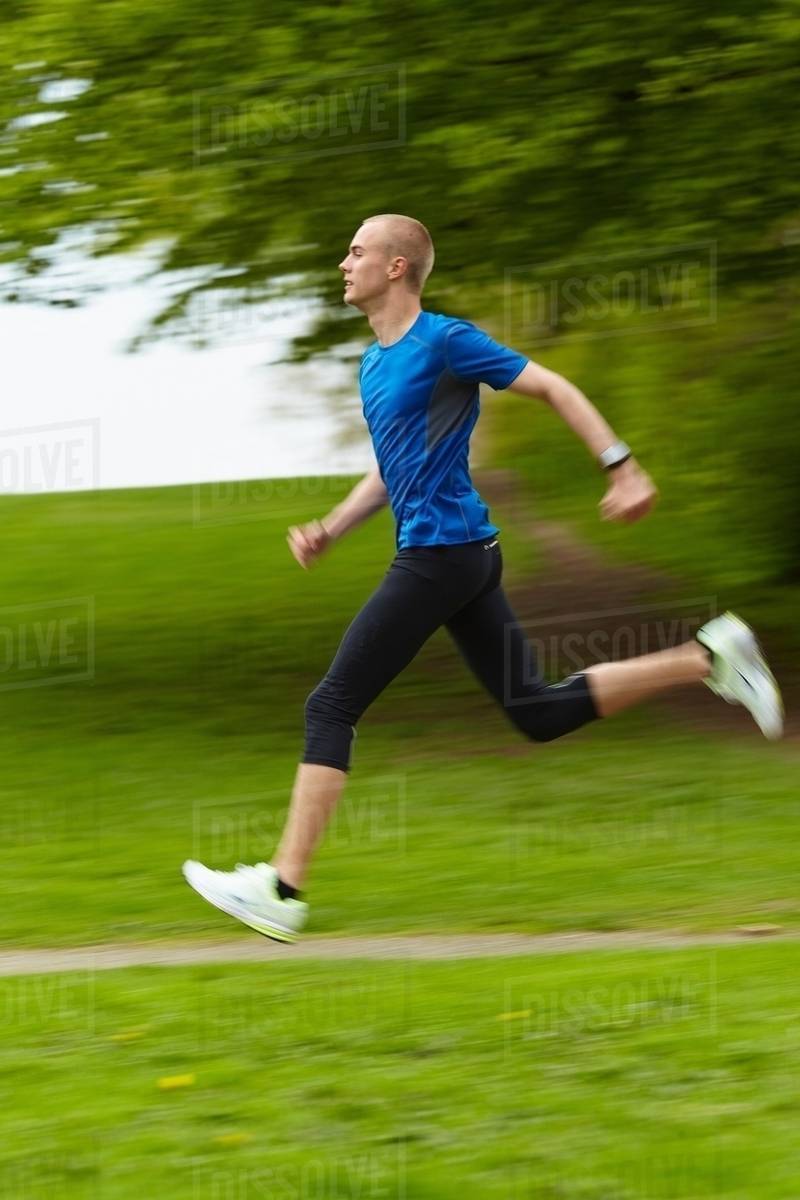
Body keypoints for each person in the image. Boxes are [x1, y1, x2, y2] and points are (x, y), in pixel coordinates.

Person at [183, 214, 783, 943]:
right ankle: (709, 656)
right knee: (535, 712)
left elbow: (555, 387)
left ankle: (281, 890)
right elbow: (390, 469)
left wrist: (621, 465)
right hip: (461, 554)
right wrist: (332, 529)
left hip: (442, 558)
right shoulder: (373, 364)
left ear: (398, 266)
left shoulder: (446, 342)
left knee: (330, 705)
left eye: (357, 251)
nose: (344, 263)